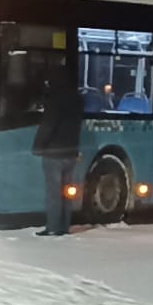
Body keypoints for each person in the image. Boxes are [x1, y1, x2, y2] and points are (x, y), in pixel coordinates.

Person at [33, 64, 85, 237]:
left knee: (54, 192)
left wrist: (38, 146)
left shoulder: (55, 99)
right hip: (71, 152)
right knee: (66, 192)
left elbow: (48, 125)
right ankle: (64, 226)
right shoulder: (77, 99)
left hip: (53, 153)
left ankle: (53, 227)